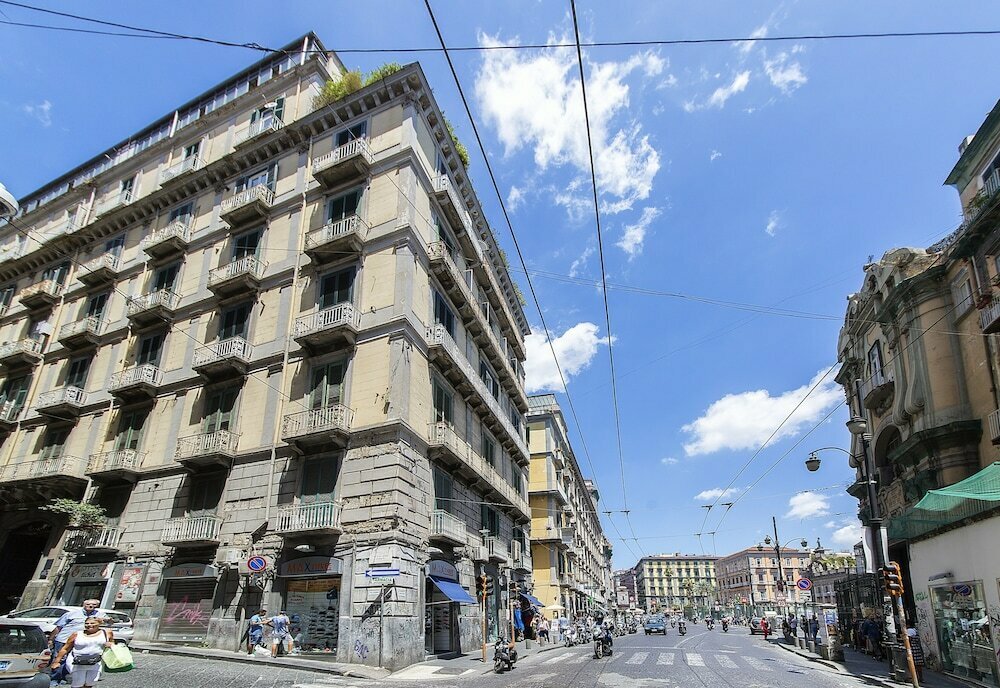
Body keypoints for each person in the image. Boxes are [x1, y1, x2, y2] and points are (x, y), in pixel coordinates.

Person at [49, 600, 106, 686]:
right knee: (60, 659)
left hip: (81, 641)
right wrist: (51, 639)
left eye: (94, 604)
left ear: (97, 606)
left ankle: (64, 677)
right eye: (88, 604)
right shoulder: (71, 614)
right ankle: (55, 679)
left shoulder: (100, 615)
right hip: (64, 639)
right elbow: (58, 627)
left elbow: (110, 623)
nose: (90, 606)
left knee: (73, 661)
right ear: (83, 604)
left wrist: (108, 620)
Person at [50, 617, 114, 688]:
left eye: (92, 623)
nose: (89, 625)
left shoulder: (107, 633)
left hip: (95, 661)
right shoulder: (77, 634)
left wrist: (110, 645)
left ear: (99, 624)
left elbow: (112, 643)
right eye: (87, 623)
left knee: (90, 682)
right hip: (76, 661)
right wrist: (56, 661)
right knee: (78, 683)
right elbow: (65, 648)